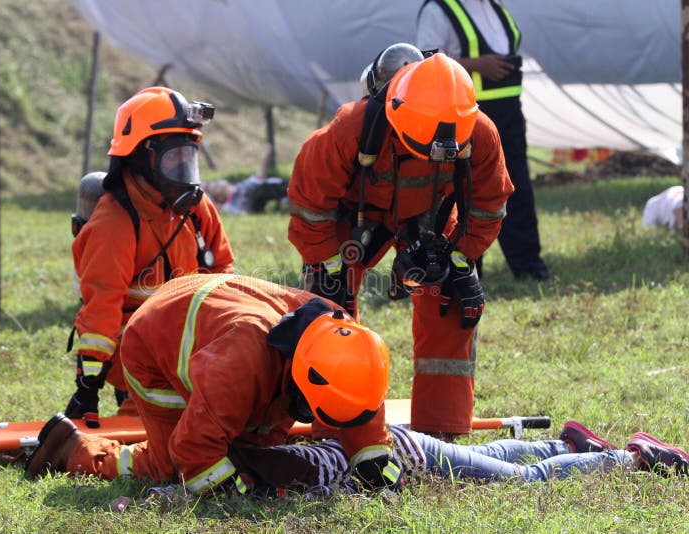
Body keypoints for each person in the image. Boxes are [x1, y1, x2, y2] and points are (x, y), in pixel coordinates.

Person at [287, 50, 514, 441]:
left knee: (451, 301)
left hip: (432, 218)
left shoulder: (479, 133)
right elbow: (310, 208)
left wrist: (460, 258)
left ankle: (440, 433)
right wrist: (330, 267)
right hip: (356, 217)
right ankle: (337, 427)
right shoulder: (351, 128)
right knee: (328, 312)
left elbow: (489, 205)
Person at [27, 274, 401, 494]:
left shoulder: (346, 343)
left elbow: (362, 410)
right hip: (154, 339)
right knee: (167, 466)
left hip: (211, 312)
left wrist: (375, 460)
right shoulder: (240, 366)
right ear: (299, 377)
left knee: (254, 448)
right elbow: (194, 452)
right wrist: (232, 490)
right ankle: (73, 450)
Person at [65, 87, 235, 428]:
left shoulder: (195, 208)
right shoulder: (115, 222)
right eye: (175, 158)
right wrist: (88, 387)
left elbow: (224, 274)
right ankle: (140, 413)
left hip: (187, 346)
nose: (184, 169)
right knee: (166, 429)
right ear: (142, 157)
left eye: (189, 157)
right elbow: (102, 308)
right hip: (136, 355)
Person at [189, 420, 689, 497]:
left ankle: (634, 459)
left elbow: (272, 482)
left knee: (520, 481)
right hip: (393, 444)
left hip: (403, 457)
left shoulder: (268, 467)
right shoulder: (253, 459)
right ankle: (568, 446)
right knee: (484, 454)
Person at [417, 0, 550, 281]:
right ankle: (465, 269)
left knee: (517, 190)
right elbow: (426, 64)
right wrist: (476, 65)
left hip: (508, 115)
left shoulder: (496, 6)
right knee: (464, 193)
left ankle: (528, 267)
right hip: (466, 119)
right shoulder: (438, 10)